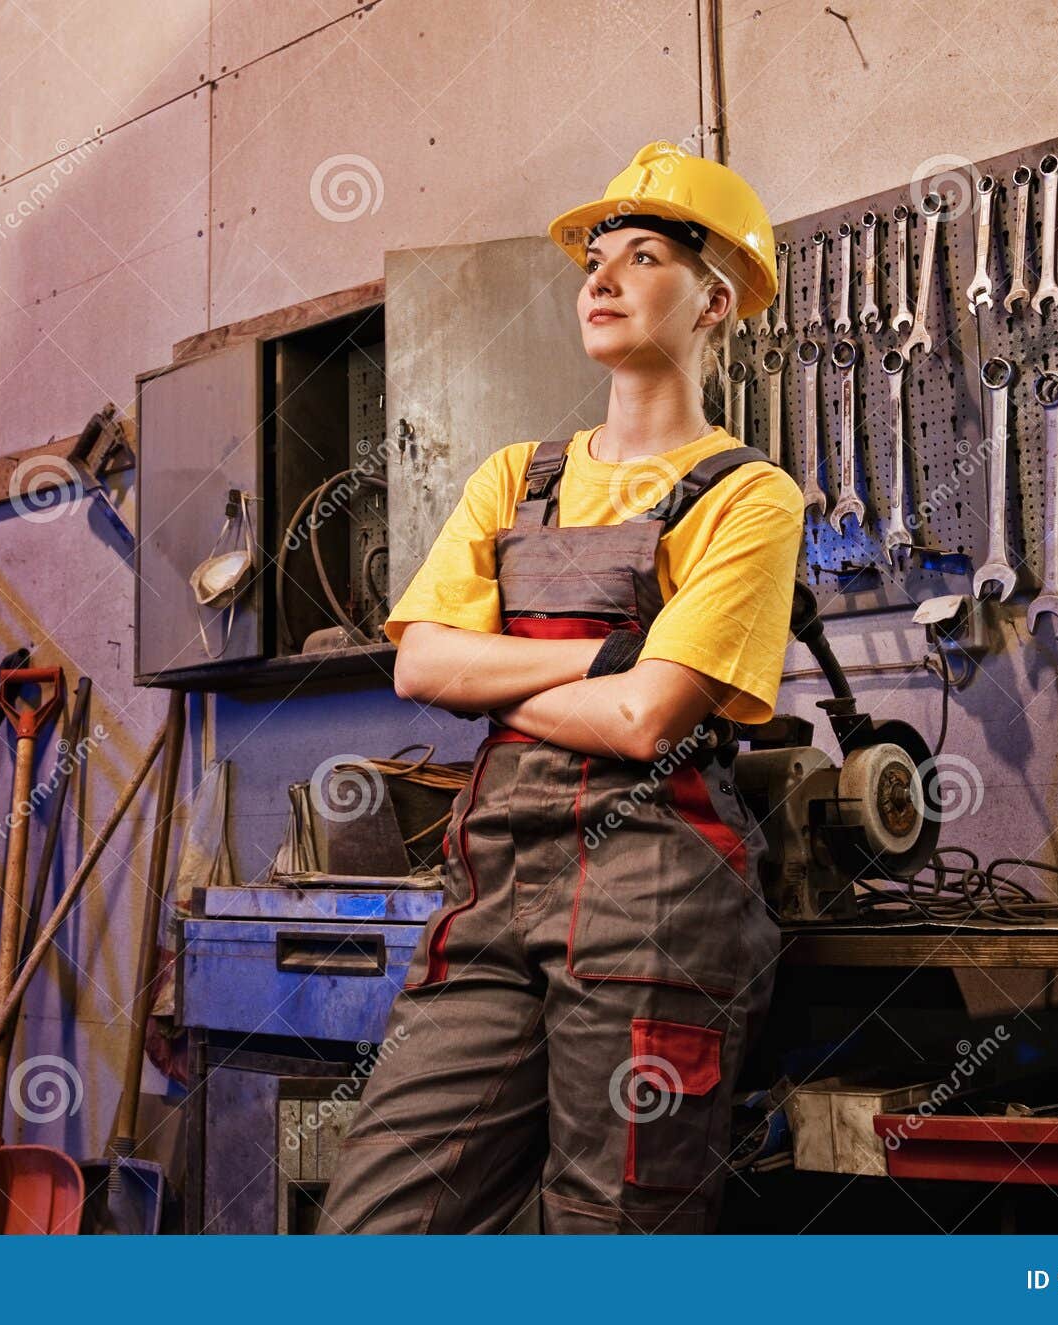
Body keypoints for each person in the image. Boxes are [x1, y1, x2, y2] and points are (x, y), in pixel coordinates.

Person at [317, 141, 806, 1234]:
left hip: (655, 901)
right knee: (375, 1229)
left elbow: (645, 720)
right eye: (595, 260)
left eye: (644, 257)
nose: (603, 278)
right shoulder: (515, 476)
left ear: (714, 301)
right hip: (491, 891)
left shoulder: (750, 496)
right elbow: (420, 664)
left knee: (608, 1236)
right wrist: (604, 656)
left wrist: (490, 680)